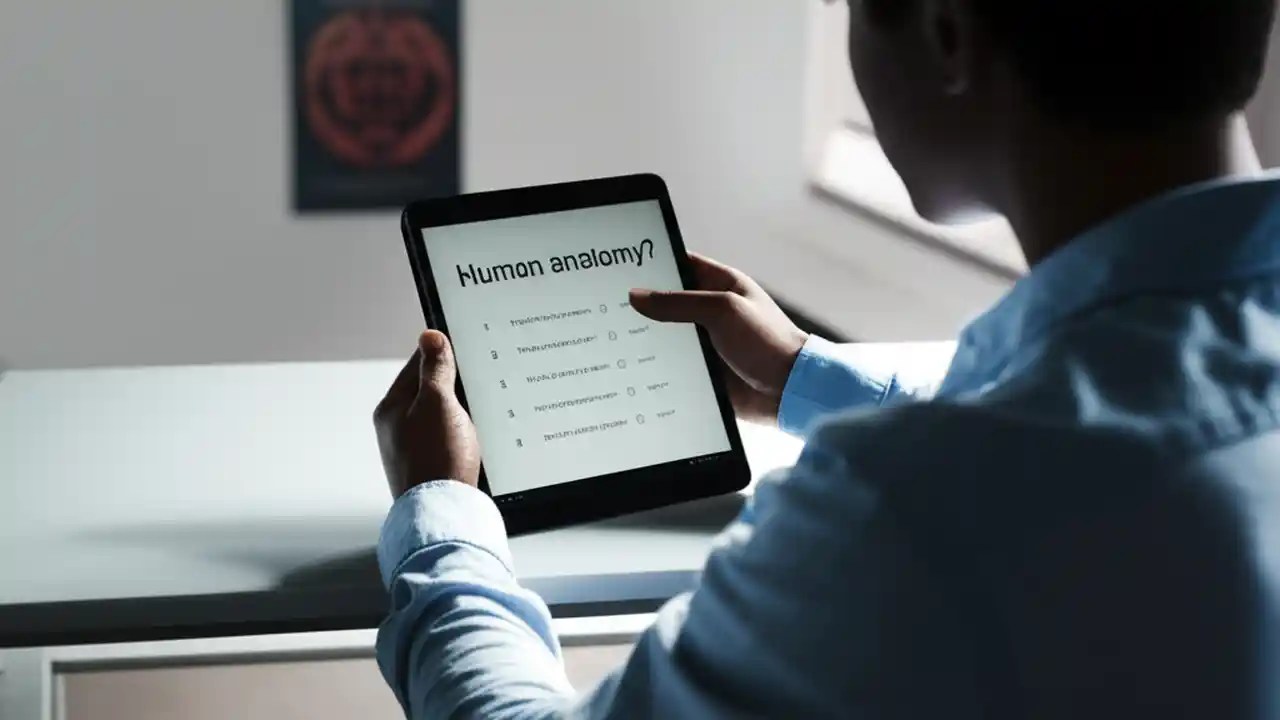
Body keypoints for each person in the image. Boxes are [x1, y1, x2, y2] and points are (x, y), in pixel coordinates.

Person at [371, 0, 1280, 717]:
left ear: (946, 36)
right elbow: (1100, 411)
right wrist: (805, 376)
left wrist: (438, 512)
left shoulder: (910, 512)